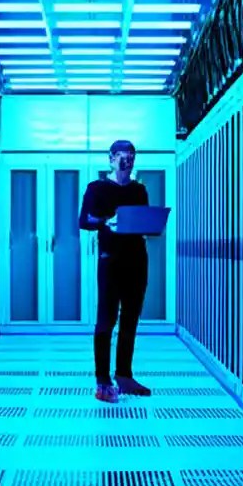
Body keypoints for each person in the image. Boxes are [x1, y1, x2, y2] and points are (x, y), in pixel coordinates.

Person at [78, 140, 154, 403]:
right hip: (111, 261)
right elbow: (84, 220)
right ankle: (102, 381)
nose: (128, 162)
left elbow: (143, 219)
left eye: (132, 157)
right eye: (123, 157)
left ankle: (124, 375)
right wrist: (106, 221)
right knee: (106, 320)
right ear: (110, 159)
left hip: (137, 260)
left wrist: (152, 224)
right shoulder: (97, 188)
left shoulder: (139, 190)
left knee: (131, 319)